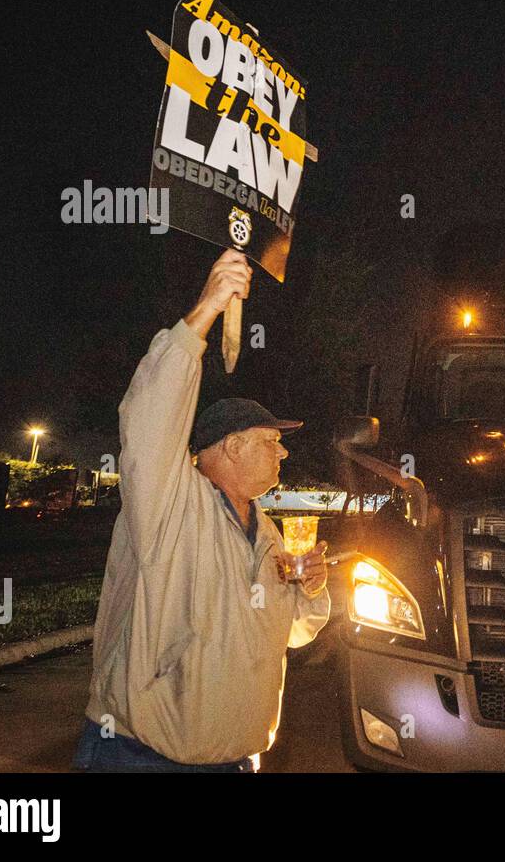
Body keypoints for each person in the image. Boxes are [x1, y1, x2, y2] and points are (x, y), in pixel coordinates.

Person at [72, 250, 331, 772]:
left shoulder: (270, 534)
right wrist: (207, 311)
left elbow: (291, 633)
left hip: (235, 760)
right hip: (141, 757)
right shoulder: (170, 504)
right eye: (270, 441)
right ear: (231, 447)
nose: (282, 453)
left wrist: (311, 592)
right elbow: (149, 419)